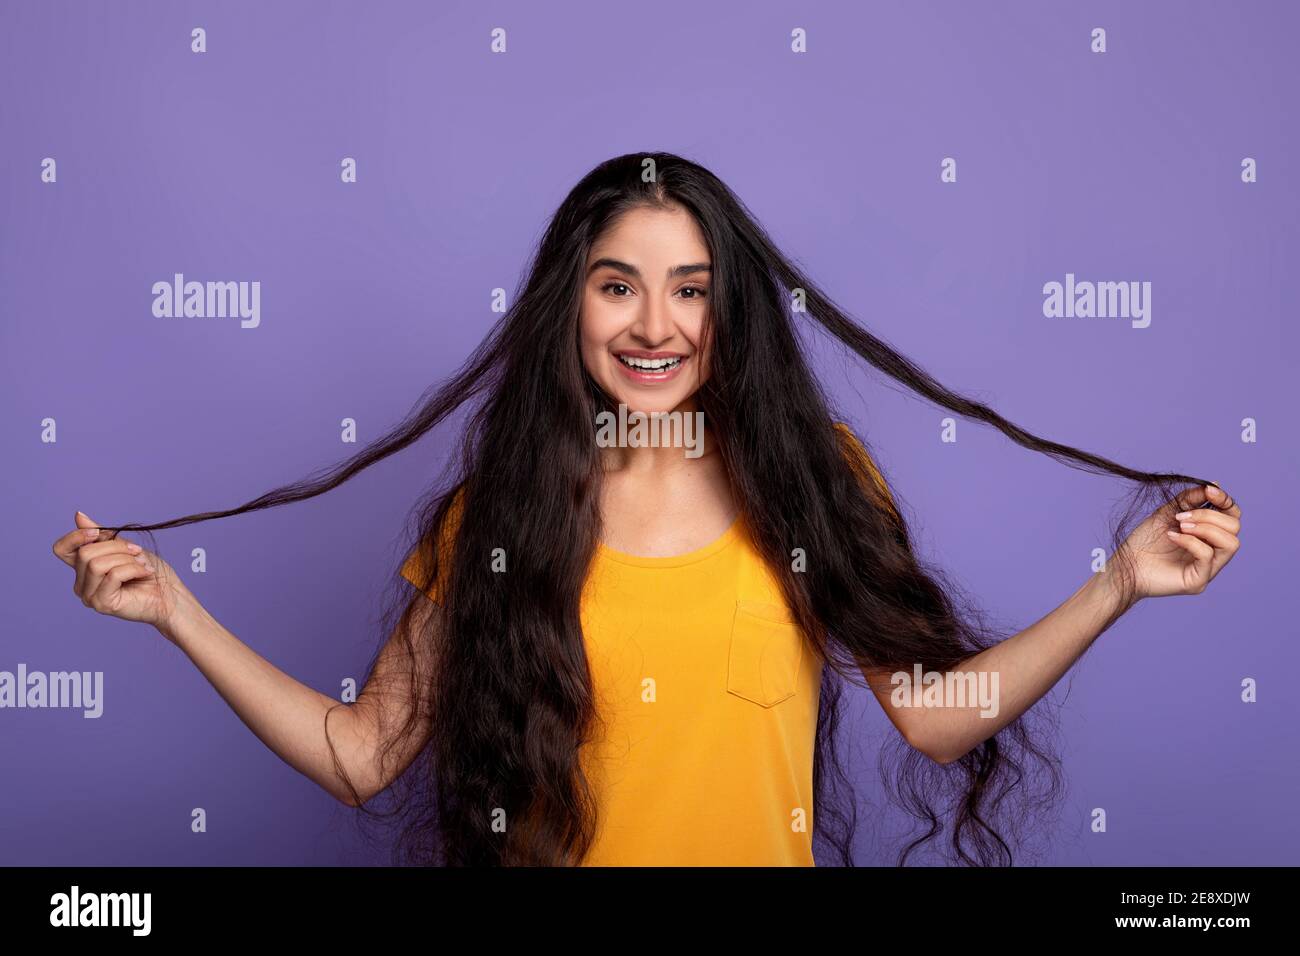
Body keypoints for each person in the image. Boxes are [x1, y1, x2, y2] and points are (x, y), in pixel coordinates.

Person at [51, 152, 1243, 866]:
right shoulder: (496, 515)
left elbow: (936, 715)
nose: (654, 324)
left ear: (733, 315)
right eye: (617, 286)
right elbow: (363, 757)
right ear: (570, 307)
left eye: (690, 290)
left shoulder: (814, 484)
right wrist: (175, 612)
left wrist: (1117, 584)